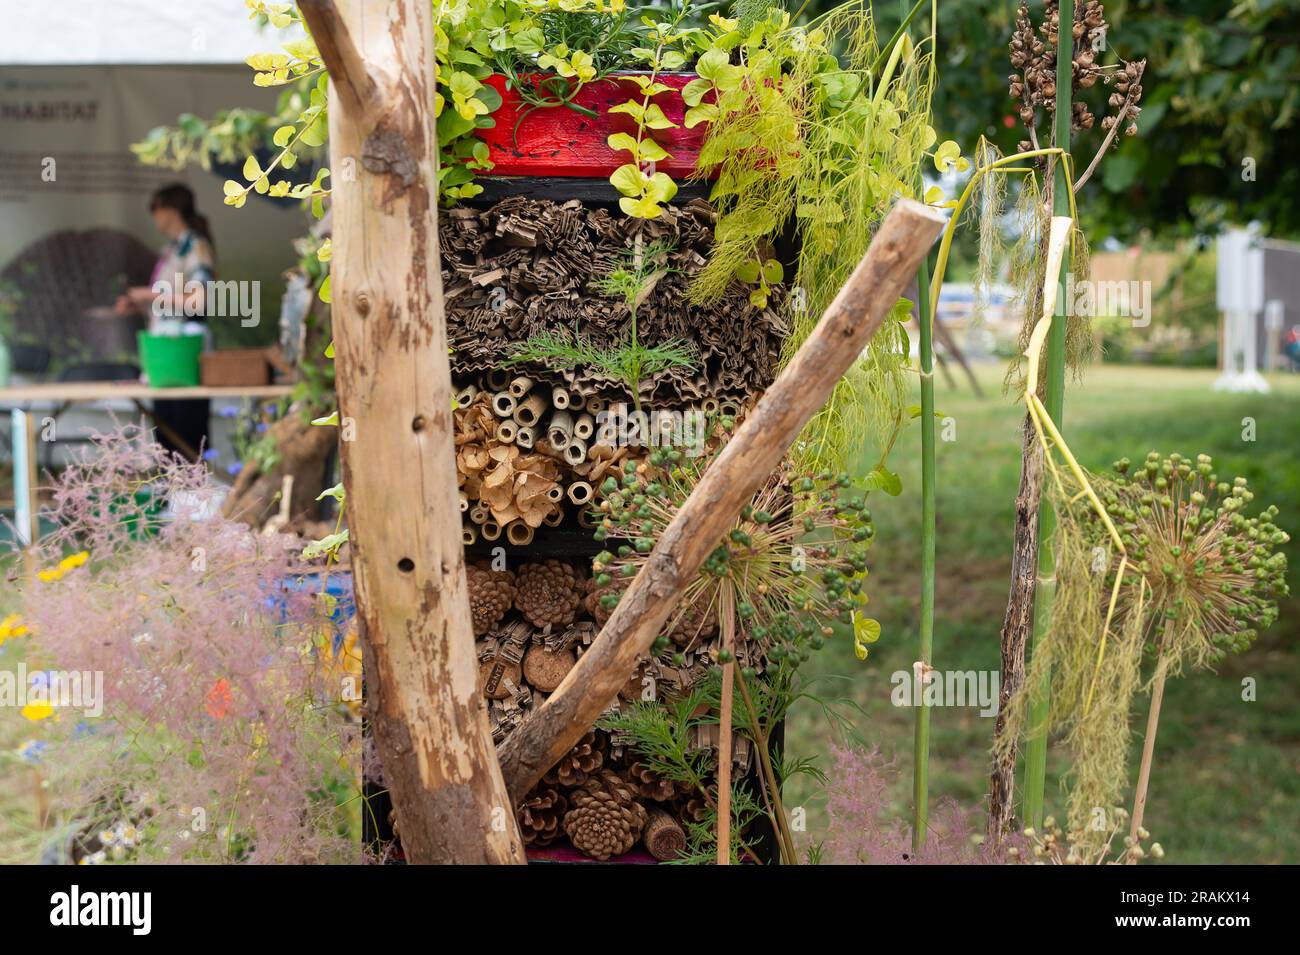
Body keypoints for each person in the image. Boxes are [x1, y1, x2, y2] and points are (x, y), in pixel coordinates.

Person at [115, 183, 216, 459]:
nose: (154, 217)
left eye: (156, 210)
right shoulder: (171, 250)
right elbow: (169, 302)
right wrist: (142, 303)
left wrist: (149, 294)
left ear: (170, 210)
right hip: (165, 350)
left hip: (185, 351)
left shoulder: (196, 247)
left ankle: (194, 498)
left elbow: (199, 300)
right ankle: (170, 497)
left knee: (187, 432)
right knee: (165, 434)